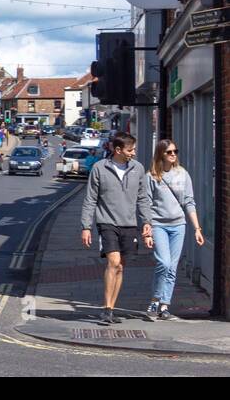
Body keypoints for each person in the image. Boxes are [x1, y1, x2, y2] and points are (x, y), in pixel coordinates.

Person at [80, 131, 154, 325]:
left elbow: (143, 198)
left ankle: (112, 307)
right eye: (131, 150)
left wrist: (147, 221)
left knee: (121, 266)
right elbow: (90, 199)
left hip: (129, 224)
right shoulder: (99, 168)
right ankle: (106, 308)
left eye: (134, 149)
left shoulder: (137, 168)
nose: (134, 153)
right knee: (113, 262)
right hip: (107, 223)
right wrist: (86, 226)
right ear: (118, 150)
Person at [146, 138, 205, 321]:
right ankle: (155, 298)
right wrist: (147, 230)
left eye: (175, 151)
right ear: (161, 154)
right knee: (163, 263)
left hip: (178, 225)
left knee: (172, 267)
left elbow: (189, 202)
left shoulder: (183, 174)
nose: (173, 155)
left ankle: (164, 305)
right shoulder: (151, 176)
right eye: (169, 152)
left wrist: (197, 228)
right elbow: (146, 204)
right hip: (158, 225)